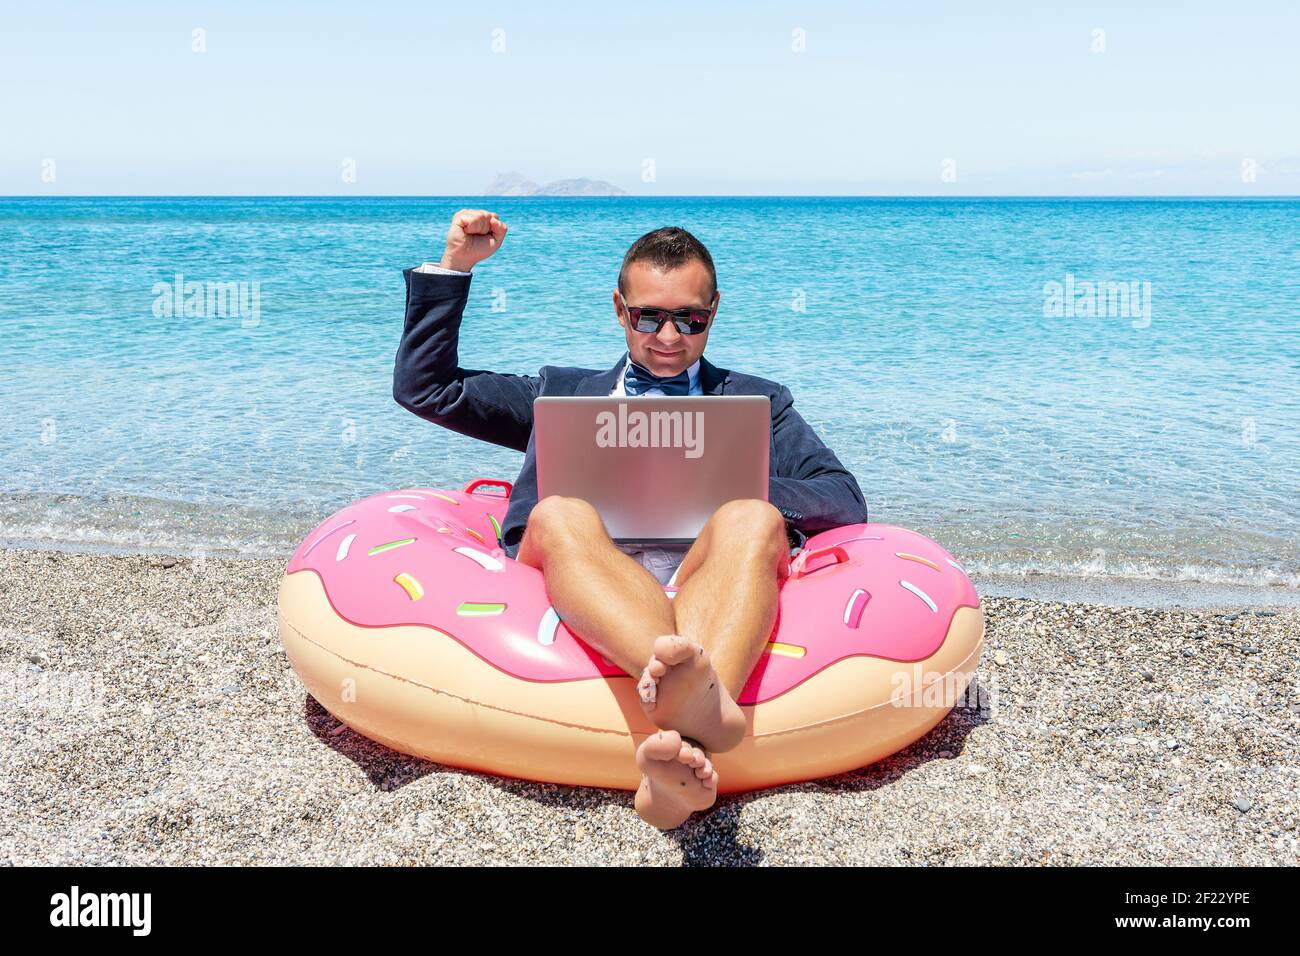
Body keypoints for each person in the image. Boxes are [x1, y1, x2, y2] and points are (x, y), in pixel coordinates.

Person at [394, 210, 869, 828]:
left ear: (714, 311)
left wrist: (720, 487)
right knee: (559, 509)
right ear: (621, 309)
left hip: (706, 575)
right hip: (588, 565)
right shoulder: (563, 394)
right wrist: (456, 266)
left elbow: (841, 495)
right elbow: (427, 389)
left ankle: (675, 773)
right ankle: (702, 715)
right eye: (649, 316)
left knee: (754, 516)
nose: (669, 336)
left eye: (689, 319)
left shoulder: (758, 404)